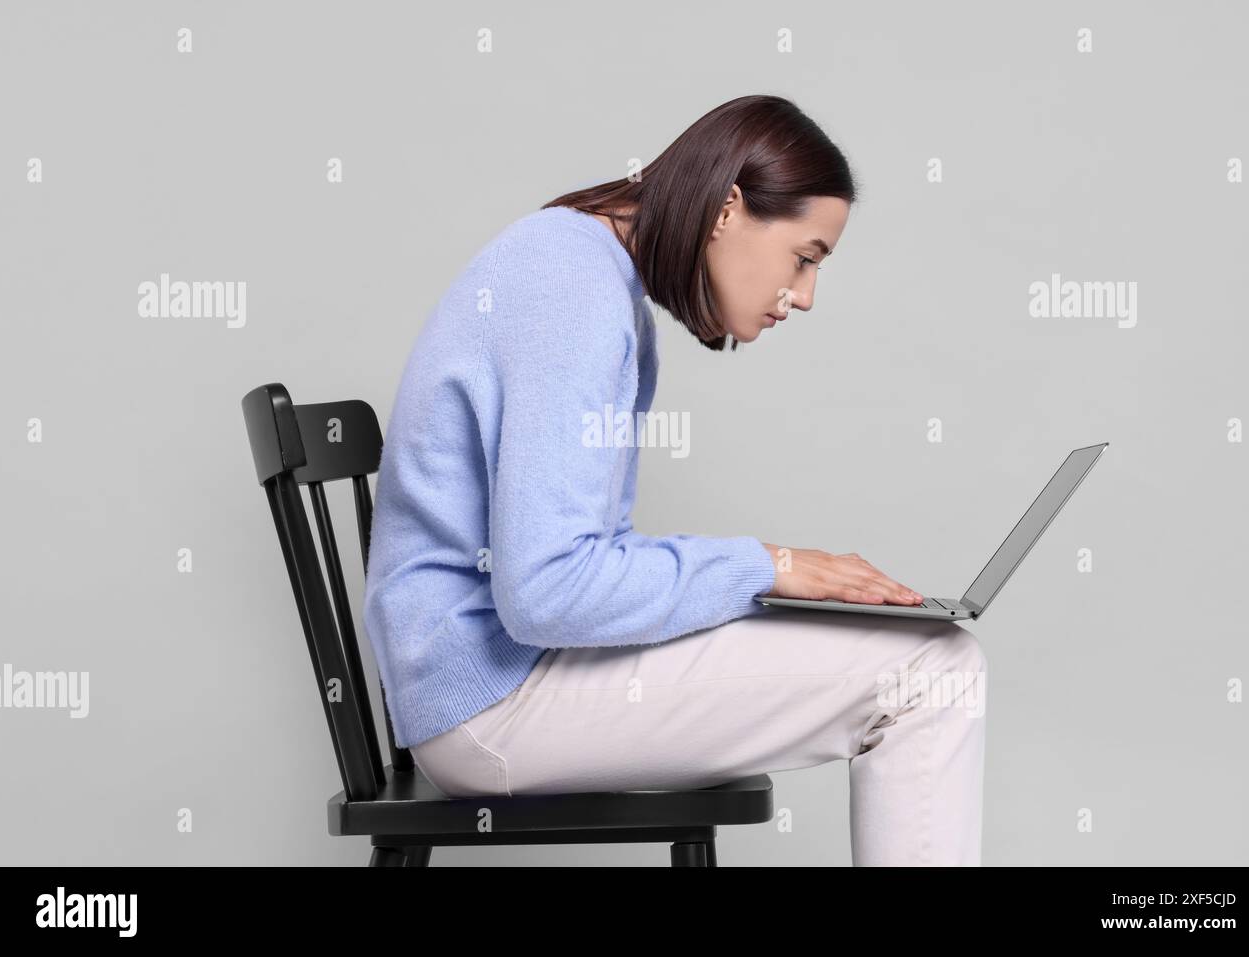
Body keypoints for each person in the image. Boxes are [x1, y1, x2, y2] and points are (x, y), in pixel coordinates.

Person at [363, 94, 986, 866]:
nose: (807, 295)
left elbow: (573, 566)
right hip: (489, 705)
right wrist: (770, 566)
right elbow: (546, 591)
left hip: (495, 678)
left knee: (920, 655)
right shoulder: (574, 290)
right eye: (807, 256)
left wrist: (768, 582)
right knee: (934, 669)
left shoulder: (583, 271)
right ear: (729, 208)